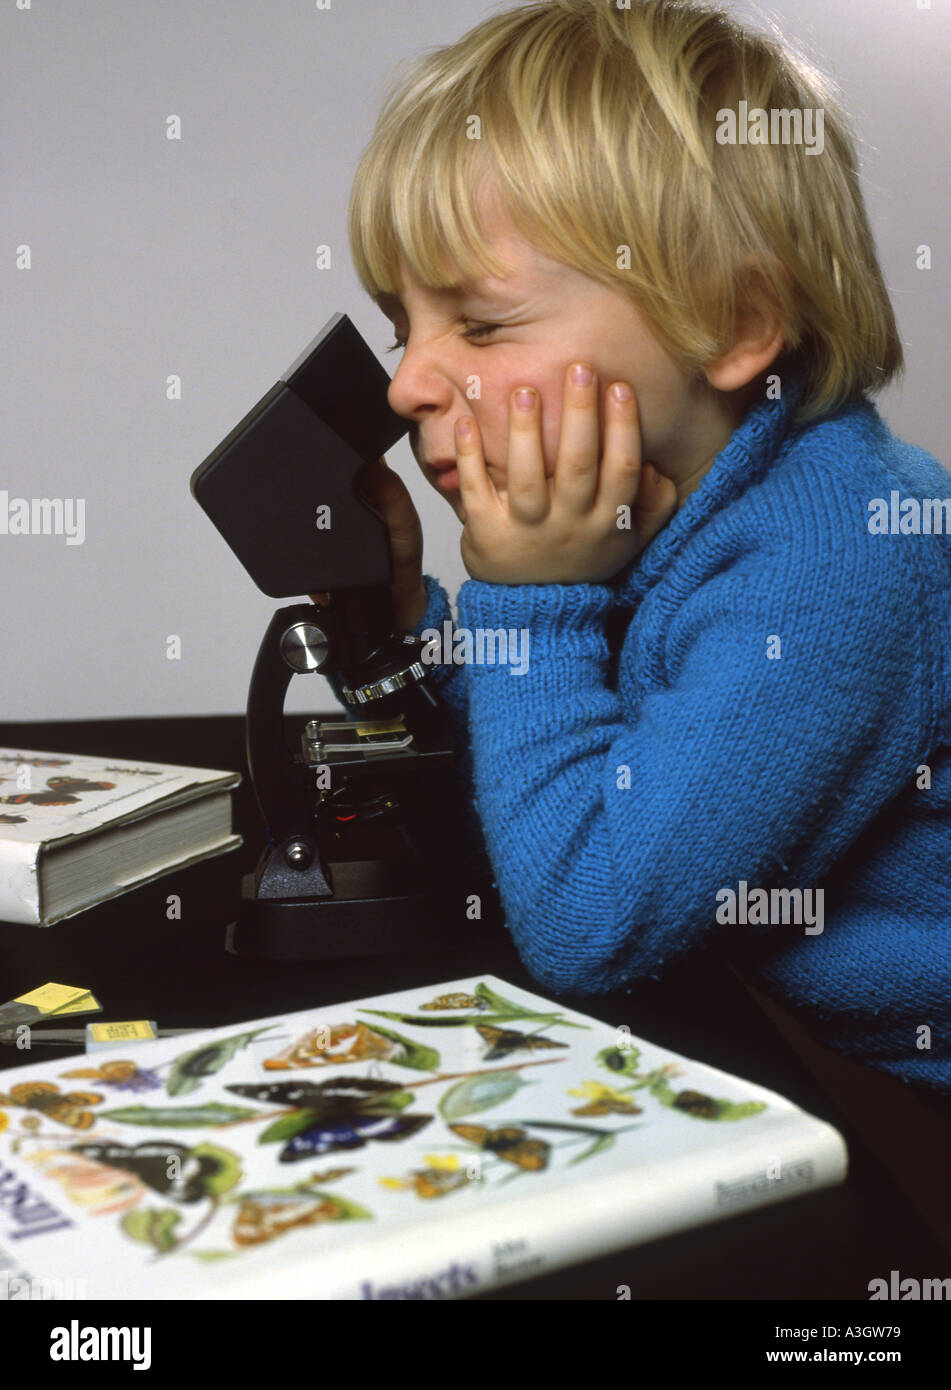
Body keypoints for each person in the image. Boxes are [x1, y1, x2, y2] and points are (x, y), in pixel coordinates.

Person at [337, 0, 951, 1107]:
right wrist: (407, 631)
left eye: (479, 326)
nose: (406, 383)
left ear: (728, 321)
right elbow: (554, 765)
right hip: (756, 1049)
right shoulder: (666, 512)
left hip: (894, 1115)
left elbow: (591, 917)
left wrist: (530, 599)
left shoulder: (838, 557)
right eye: (400, 326)